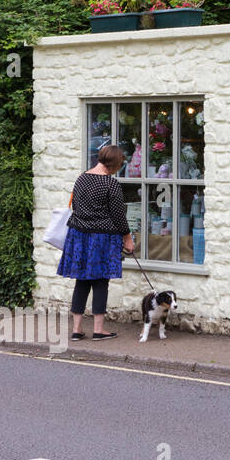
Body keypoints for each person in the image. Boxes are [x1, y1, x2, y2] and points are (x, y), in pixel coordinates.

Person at [58, 144, 134, 340]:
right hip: (102, 237)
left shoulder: (82, 178)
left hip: (79, 235)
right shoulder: (110, 183)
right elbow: (118, 215)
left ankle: (76, 329)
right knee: (101, 281)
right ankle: (99, 330)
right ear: (116, 164)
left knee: (81, 281)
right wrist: (127, 237)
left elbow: (75, 205)